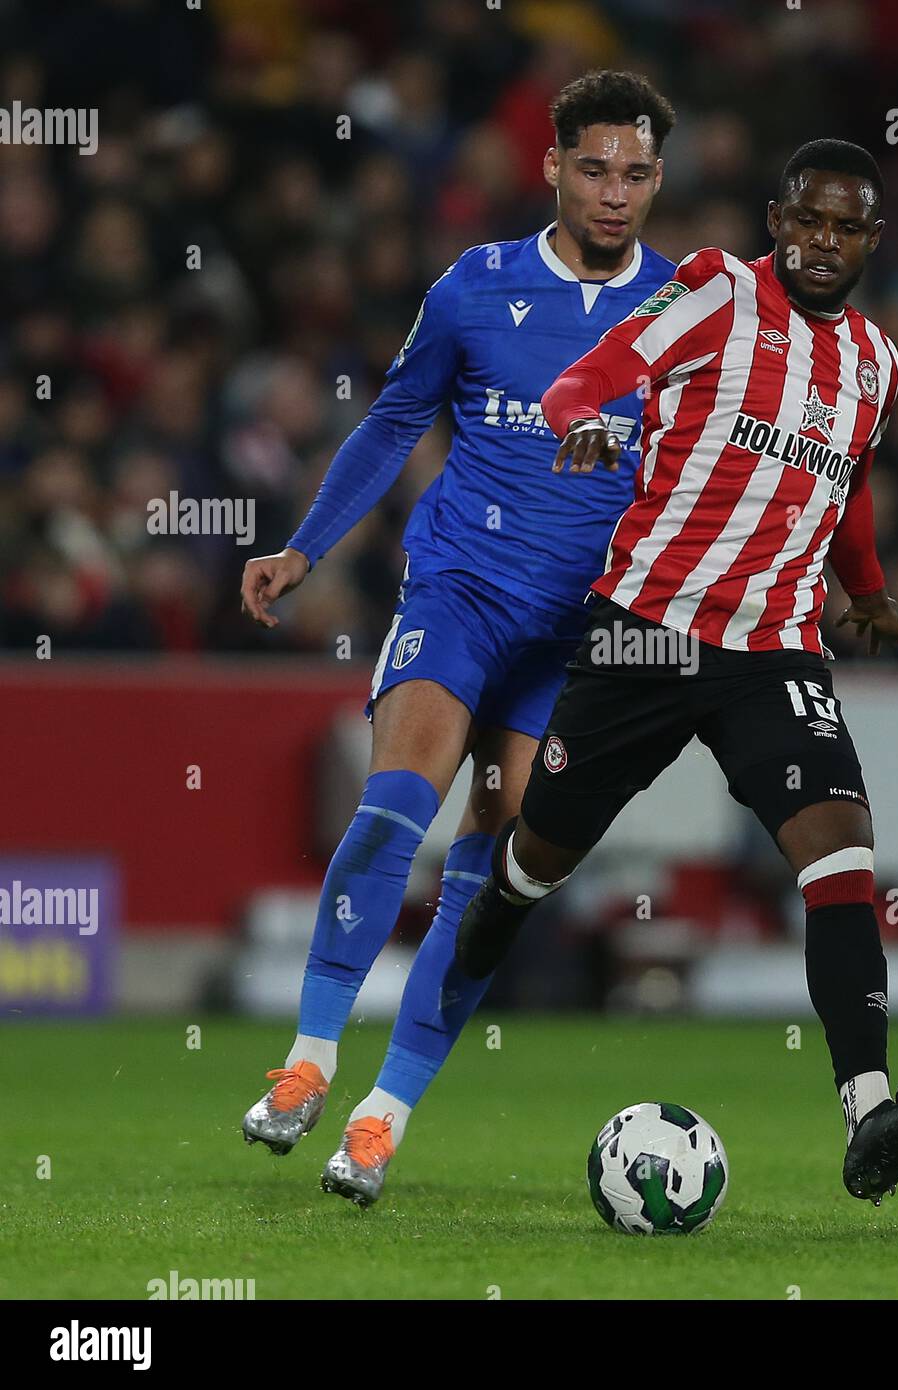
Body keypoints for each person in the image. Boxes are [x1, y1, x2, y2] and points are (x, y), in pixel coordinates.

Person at [454, 139, 898, 1206]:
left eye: (847, 227)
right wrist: (582, 425)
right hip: (646, 631)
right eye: (808, 221)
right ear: (776, 221)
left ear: (871, 242)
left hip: (774, 649)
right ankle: (504, 893)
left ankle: (869, 1111)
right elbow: (586, 381)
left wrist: (868, 586)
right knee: (545, 846)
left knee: (840, 856)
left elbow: (847, 485)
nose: (824, 242)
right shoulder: (711, 292)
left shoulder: (875, 363)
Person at [237, 70, 677, 1207]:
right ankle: (309, 1060)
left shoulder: (685, 314)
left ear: (656, 179)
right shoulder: (475, 287)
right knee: (394, 810)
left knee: (493, 875)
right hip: (460, 592)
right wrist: (305, 547)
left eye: (634, 173)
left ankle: (382, 1118)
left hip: (571, 632)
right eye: (593, 168)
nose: (613, 192)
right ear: (551, 166)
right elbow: (395, 421)